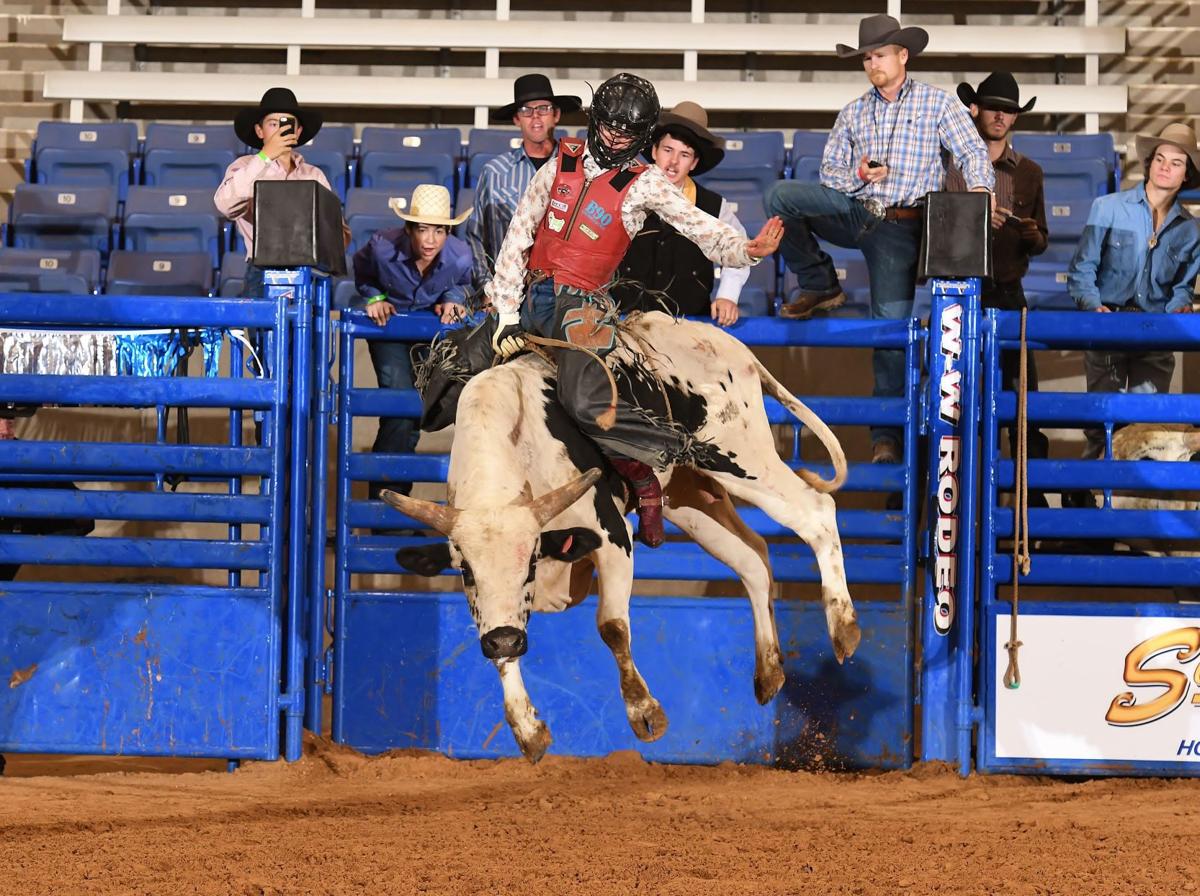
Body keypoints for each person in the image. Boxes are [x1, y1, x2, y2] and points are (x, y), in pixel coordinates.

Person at [486, 72, 783, 548]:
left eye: (628, 133)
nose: (617, 138)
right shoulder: (559, 163)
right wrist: (505, 310)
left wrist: (745, 249)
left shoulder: (645, 184)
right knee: (466, 372)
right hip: (530, 297)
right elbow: (519, 234)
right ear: (596, 122)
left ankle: (662, 459)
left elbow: (699, 227)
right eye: (611, 127)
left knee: (583, 401)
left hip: (582, 307)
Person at [765, 14, 993, 465]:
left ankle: (885, 434)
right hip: (856, 210)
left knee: (890, 331)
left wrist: (980, 189)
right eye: (867, 57)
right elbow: (830, 173)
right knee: (780, 196)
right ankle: (819, 281)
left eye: (880, 55)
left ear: (902, 56)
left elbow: (971, 151)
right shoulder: (853, 111)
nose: (873, 64)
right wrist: (858, 173)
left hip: (901, 225)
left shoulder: (937, 104)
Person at [1066, 121, 1200, 467]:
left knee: (1147, 428)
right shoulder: (1108, 207)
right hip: (1107, 326)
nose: (1165, 167)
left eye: (1176, 162)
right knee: (1101, 423)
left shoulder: (1191, 230)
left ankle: (1131, 513)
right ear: (1149, 163)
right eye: (1160, 159)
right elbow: (1082, 269)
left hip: (1155, 334)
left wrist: (1179, 308)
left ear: (1187, 175)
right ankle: (1085, 505)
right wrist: (1094, 307)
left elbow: (1182, 287)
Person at [946, 72, 1050, 506]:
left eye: (1008, 110)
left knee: (1022, 401)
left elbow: (1043, 236)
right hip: (958, 290)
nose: (1002, 116)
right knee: (952, 398)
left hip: (1007, 289)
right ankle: (951, 496)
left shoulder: (1029, 172)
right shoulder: (948, 164)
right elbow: (934, 223)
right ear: (977, 111)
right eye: (995, 108)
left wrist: (1030, 235)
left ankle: (1030, 497)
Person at [353, 184, 473, 501]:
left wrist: (452, 298)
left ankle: (390, 504)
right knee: (399, 408)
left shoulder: (460, 257)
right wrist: (375, 296)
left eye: (439, 231)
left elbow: (462, 284)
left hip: (428, 335)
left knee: (412, 415)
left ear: (448, 232)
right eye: (423, 230)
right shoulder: (382, 247)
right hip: (388, 328)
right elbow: (361, 271)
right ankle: (386, 505)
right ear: (409, 230)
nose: (430, 240)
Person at [613, 101, 748, 327]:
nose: (673, 162)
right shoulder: (624, 193)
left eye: (684, 154)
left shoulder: (712, 205)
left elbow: (740, 248)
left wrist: (727, 295)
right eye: (668, 150)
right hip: (626, 326)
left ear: (694, 163)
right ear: (654, 151)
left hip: (689, 329)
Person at [465, 74, 582, 335]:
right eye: (527, 110)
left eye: (543, 109)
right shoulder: (494, 172)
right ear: (517, 118)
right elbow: (475, 237)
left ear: (556, 115)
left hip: (560, 298)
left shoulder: (577, 171)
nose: (536, 117)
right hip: (504, 298)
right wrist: (490, 290)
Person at [214, 87, 340, 299]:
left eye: (287, 124)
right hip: (261, 269)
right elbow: (225, 205)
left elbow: (335, 232)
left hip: (308, 269)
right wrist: (264, 157)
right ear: (260, 131)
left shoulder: (314, 175)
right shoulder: (243, 167)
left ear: (297, 132)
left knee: (305, 330)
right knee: (261, 330)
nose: (280, 130)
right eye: (273, 124)